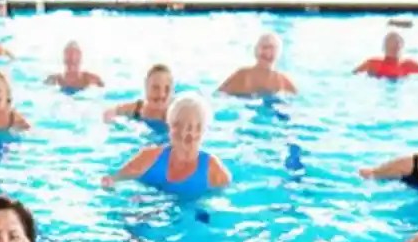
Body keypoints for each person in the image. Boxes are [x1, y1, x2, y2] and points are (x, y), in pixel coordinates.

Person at [102, 94, 232, 196]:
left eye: (196, 127)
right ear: (170, 126)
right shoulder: (148, 159)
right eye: (179, 125)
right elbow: (113, 180)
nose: (188, 133)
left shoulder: (215, 172)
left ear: (204, 131)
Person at [217, 33, 298, 97]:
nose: (267, 53)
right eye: (264, 47)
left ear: (278, 54)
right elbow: (219, 95)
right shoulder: (242, 75)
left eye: (272, 48)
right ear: (255, 51)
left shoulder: (283, 81)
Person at [103, 64, 172, 122]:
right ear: (146, 86)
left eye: (167, 89)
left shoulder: (175, 114)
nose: (161, 94)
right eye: (155, 88)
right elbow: (109, 112)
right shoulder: (138, 108)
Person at [354, 31, 418, 79]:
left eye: (395, 45)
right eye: (391, 45)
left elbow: (352, 75)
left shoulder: (409, 65)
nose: (393, 47)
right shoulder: (372, 64)